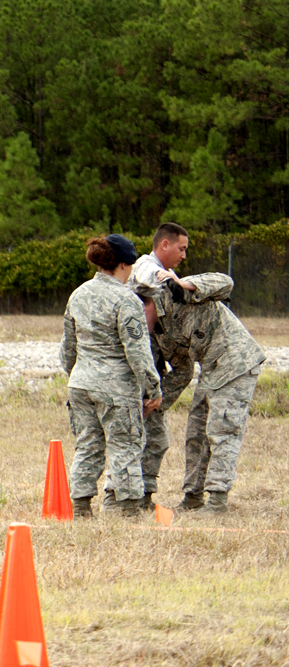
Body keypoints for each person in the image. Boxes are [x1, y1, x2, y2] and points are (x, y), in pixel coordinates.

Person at [138, 274, 265, 516]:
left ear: (148, 303)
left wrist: (185, 284)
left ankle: (217, 501)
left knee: (222, 430)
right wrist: (158, 402)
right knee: (196, 431)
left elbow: (225, 282)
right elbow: (183, 370)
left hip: (236, 363)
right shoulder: (158, 331)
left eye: (139, 315)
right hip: (210, 369)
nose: (139, 324)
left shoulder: (177, 293)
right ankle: (193, 497)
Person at [60, 235, 162, 519]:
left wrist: (77, 376)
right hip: (116, 388)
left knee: (88, 444)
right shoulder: (126, 299)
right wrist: (153, 388)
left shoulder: (78, 294)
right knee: (126, 445)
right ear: (124, 265)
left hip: (80, 384)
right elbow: (138, 351)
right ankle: (127, 509)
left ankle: (79, 506)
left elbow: (68, 348)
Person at [132, 222, 197, 506]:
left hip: (155, 364)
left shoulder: (169, 273)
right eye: (181, 248)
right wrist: (172, 281)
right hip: (139, 360)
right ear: (165, 245)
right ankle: (121, 494)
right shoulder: (146, 266)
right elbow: (150, 278)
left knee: (157, 438)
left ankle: (144, 495)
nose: (184, 255)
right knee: (133, 437)